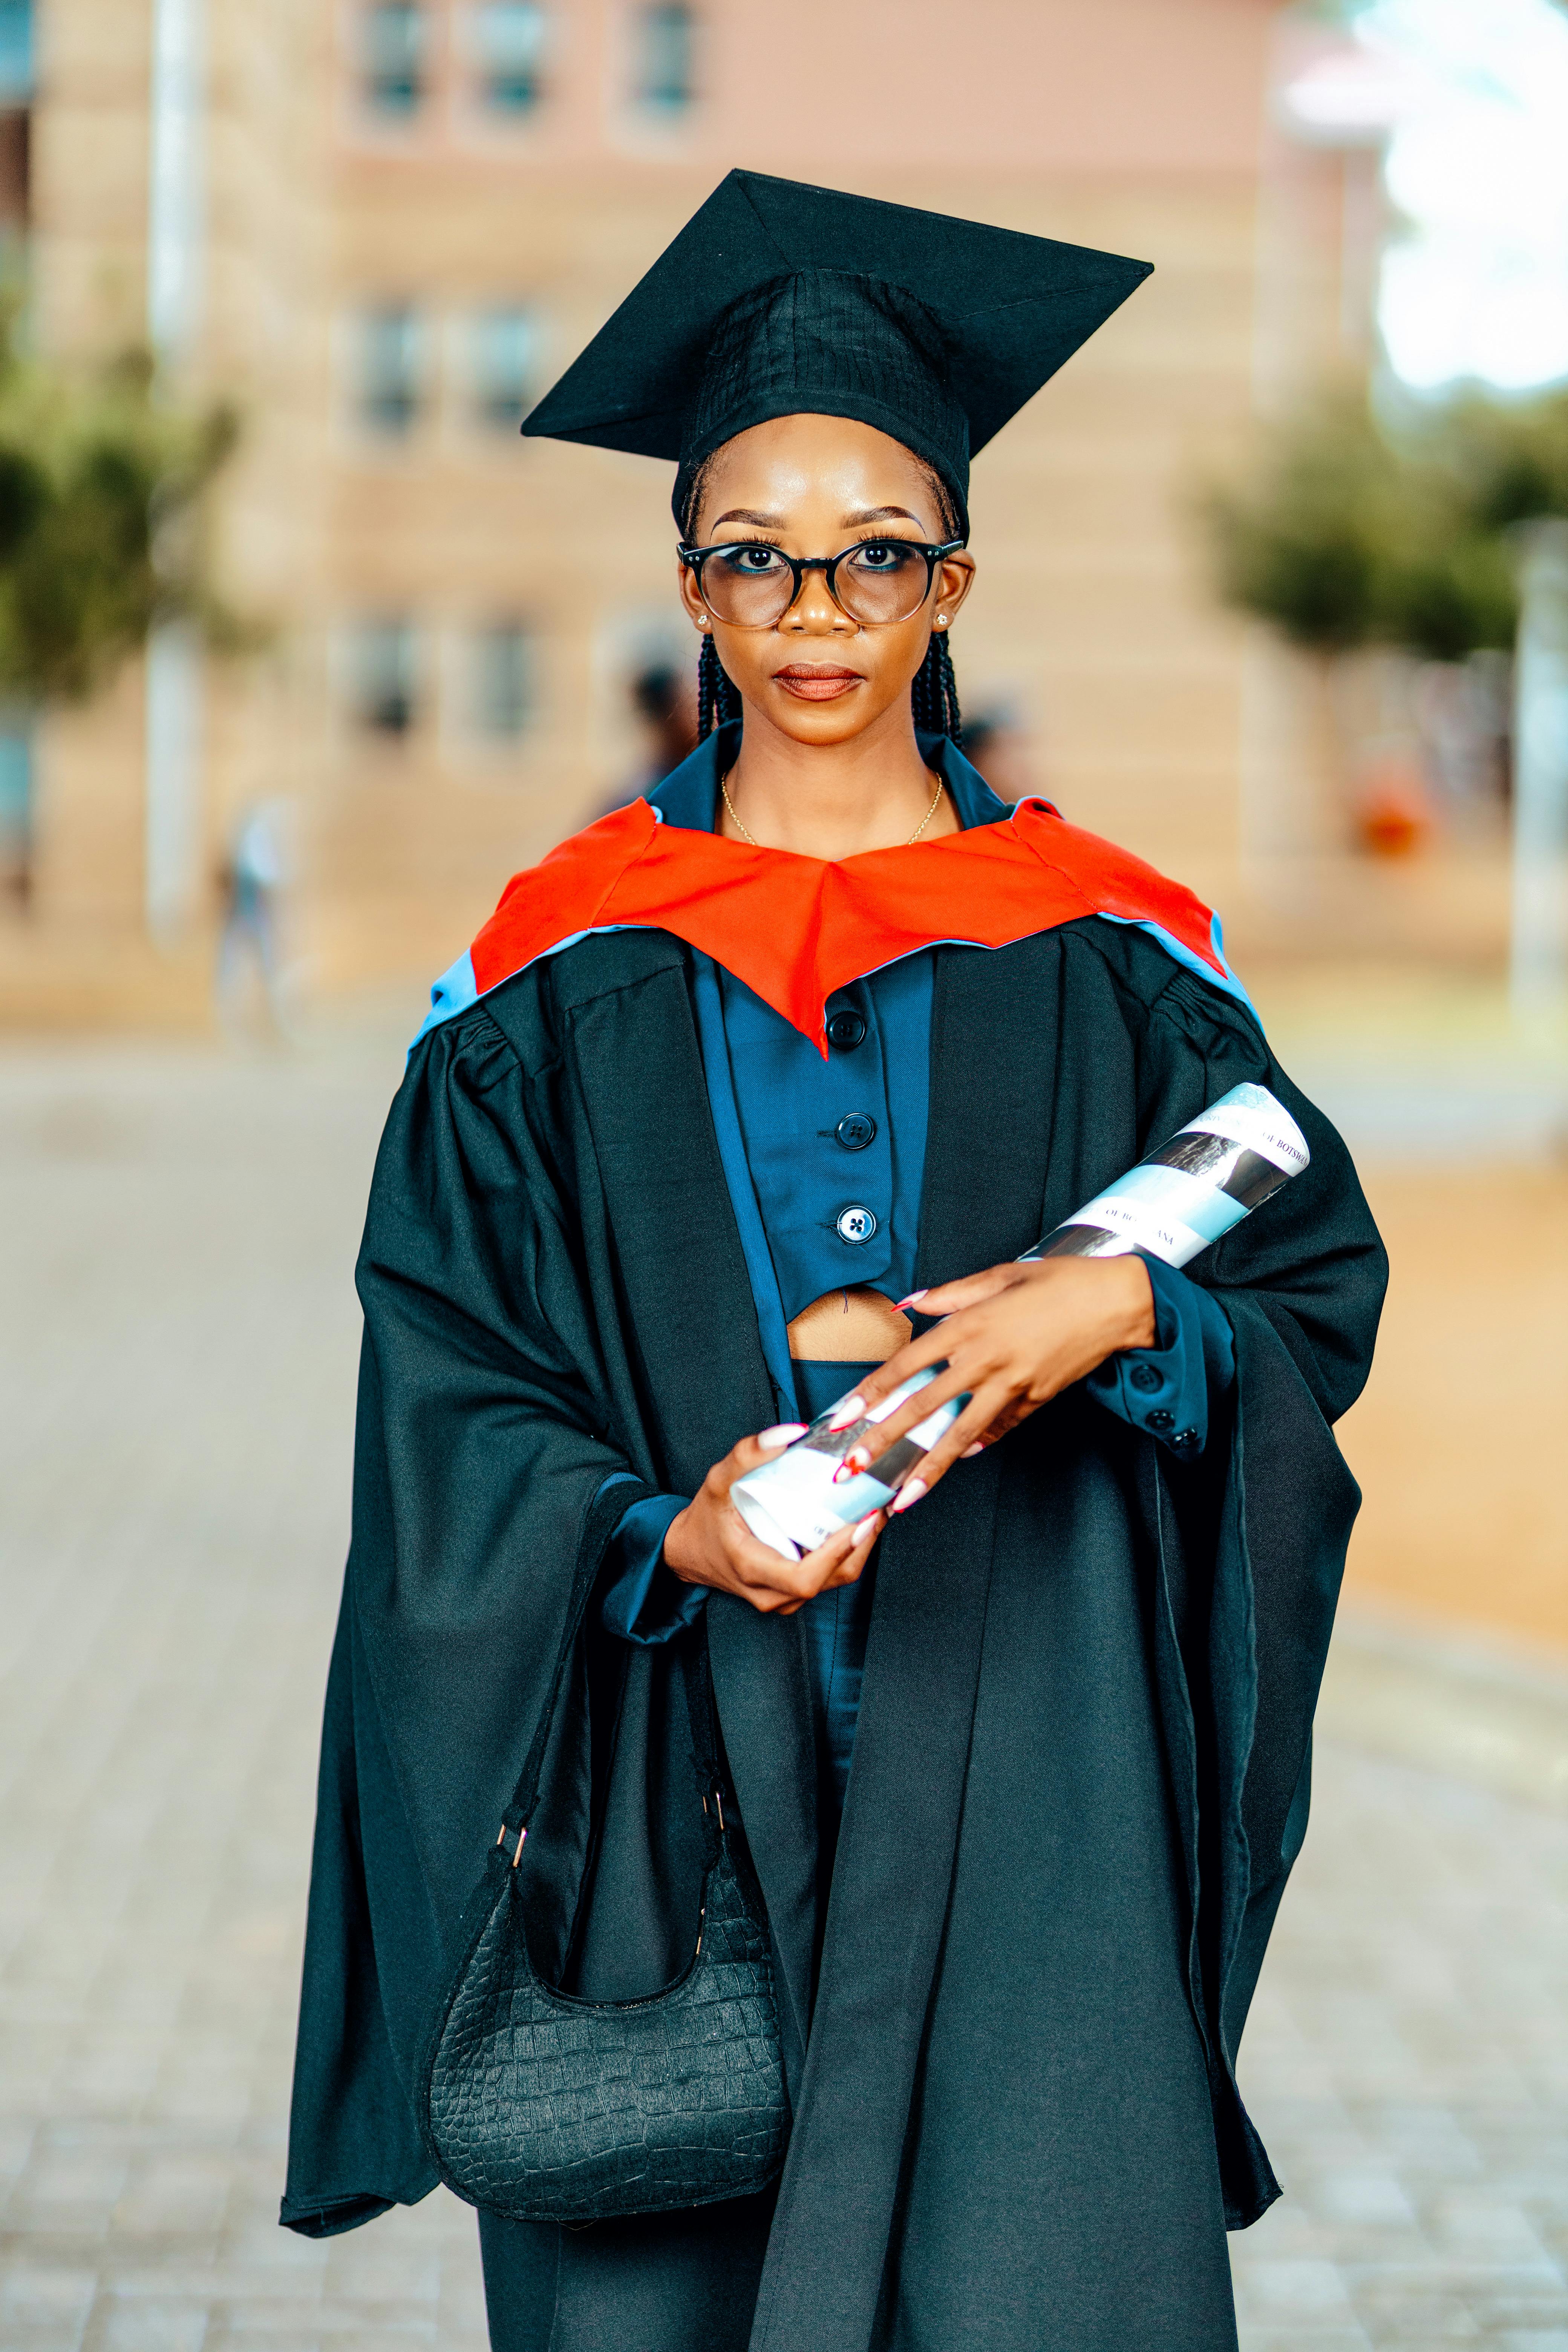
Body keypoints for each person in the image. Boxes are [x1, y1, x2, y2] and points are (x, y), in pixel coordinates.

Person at [281, 173, 1386, 2352]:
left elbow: (1308, 1281)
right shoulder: (545, 982)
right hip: (668, 1772)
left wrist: (1138, 1310)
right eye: (756, 557)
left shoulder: (1114, 959)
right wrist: (651, 1526)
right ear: (687, 577)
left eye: (876, 552)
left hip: (1032, 1782)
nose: (816, 610)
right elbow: (448, 1384)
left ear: (952, 575)